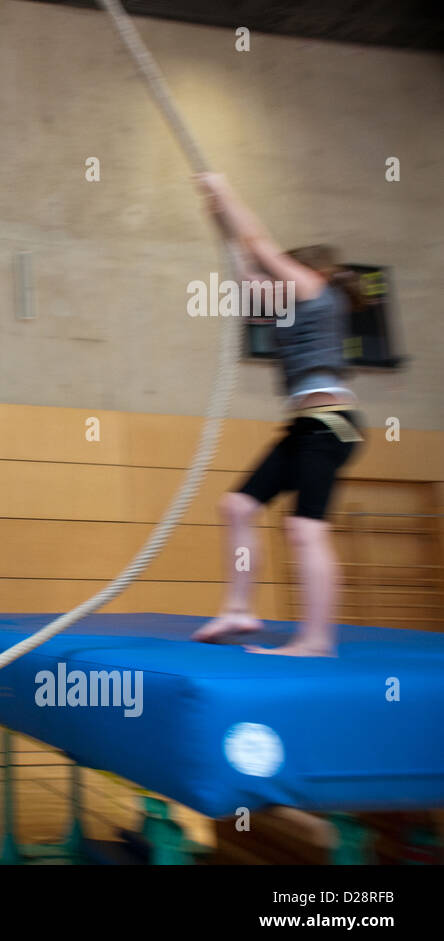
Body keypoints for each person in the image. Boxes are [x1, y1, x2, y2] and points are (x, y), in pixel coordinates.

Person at [192, 173, 364, 656]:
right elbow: (249, 273)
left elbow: (260, 245)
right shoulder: (292, 306)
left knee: (305, 529)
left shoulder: (315, 289)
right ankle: (240, 608)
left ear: (302, 272)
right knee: (238, 507)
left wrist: (226, 192)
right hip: (304, 427)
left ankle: (316, 640)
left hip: (330, 426)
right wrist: (221, 220)